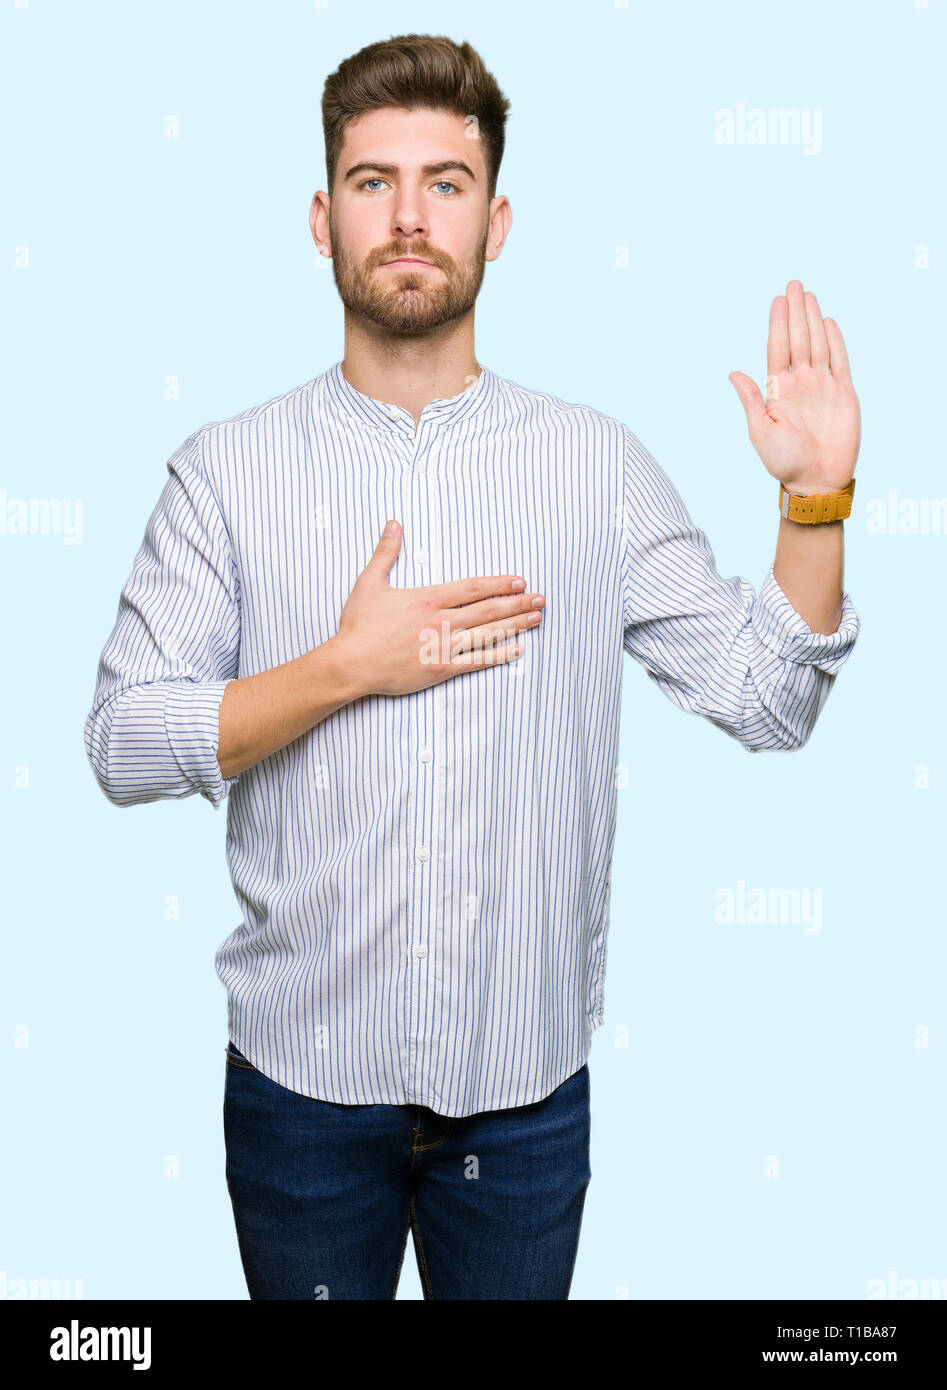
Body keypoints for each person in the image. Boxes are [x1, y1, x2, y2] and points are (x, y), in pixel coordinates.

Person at [83, 33, 862, 1300]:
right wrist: (342, 667)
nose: (405, 216)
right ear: (320, 215)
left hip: (523, 1103)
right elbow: (121, 740)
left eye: (443, 183)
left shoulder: (594, 466)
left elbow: (766, 699)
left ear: (495, 222)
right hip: (297, 1092)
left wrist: (814, 499)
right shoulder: (223, 471)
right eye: (370, 180)